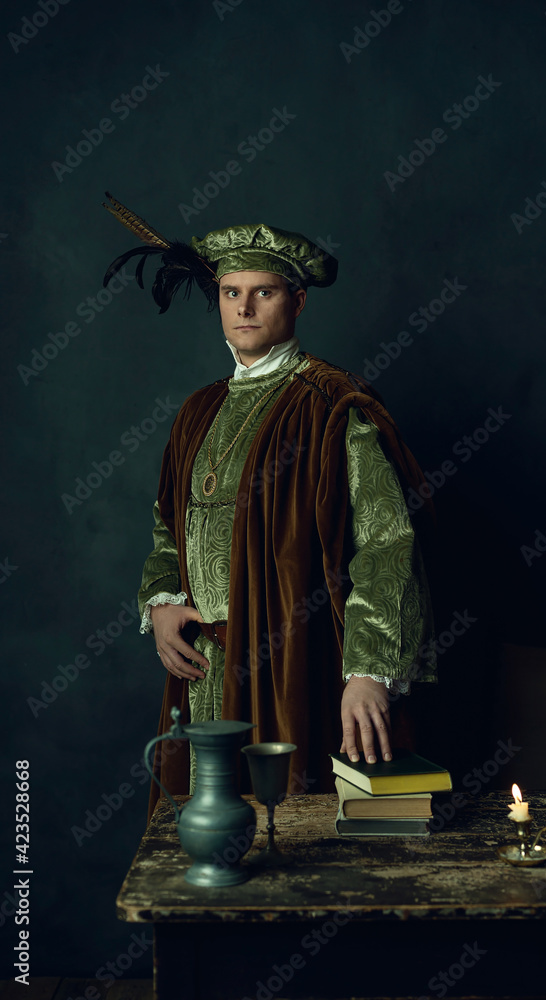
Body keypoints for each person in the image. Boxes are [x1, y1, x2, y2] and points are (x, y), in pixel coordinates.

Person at [103, 195, 437, 813]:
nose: (245, 308)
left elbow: (387, 542)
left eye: (264, 292)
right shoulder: (198, 409)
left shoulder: (333, 403)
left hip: (292, 666)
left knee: (290, 840)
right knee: (201, 840)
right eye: (232, 293)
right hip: (202, 672)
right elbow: (167, 528)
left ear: (298, 300)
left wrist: (368, 671)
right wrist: (163, 602)